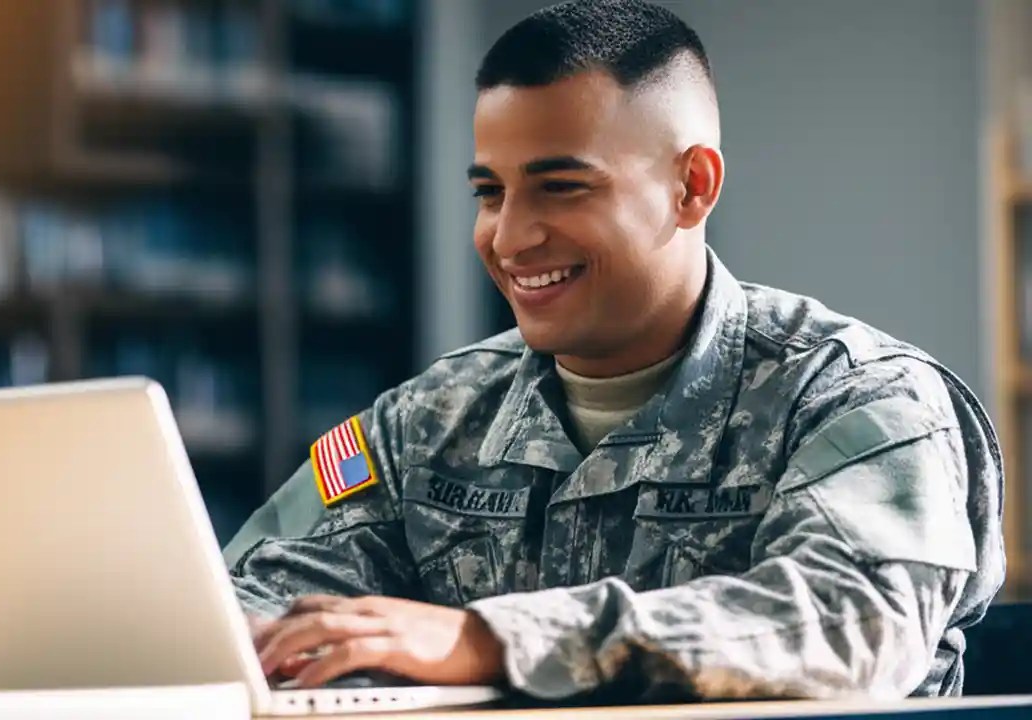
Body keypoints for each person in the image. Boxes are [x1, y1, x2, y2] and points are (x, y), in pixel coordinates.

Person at [222, 0, 1004, 704]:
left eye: (561, 188)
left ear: (692, 185)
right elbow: (250, 605)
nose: (509, 236)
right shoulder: (425, 420)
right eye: (490, 192)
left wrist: (489, 643)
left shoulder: (864, 400)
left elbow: (847, 623)